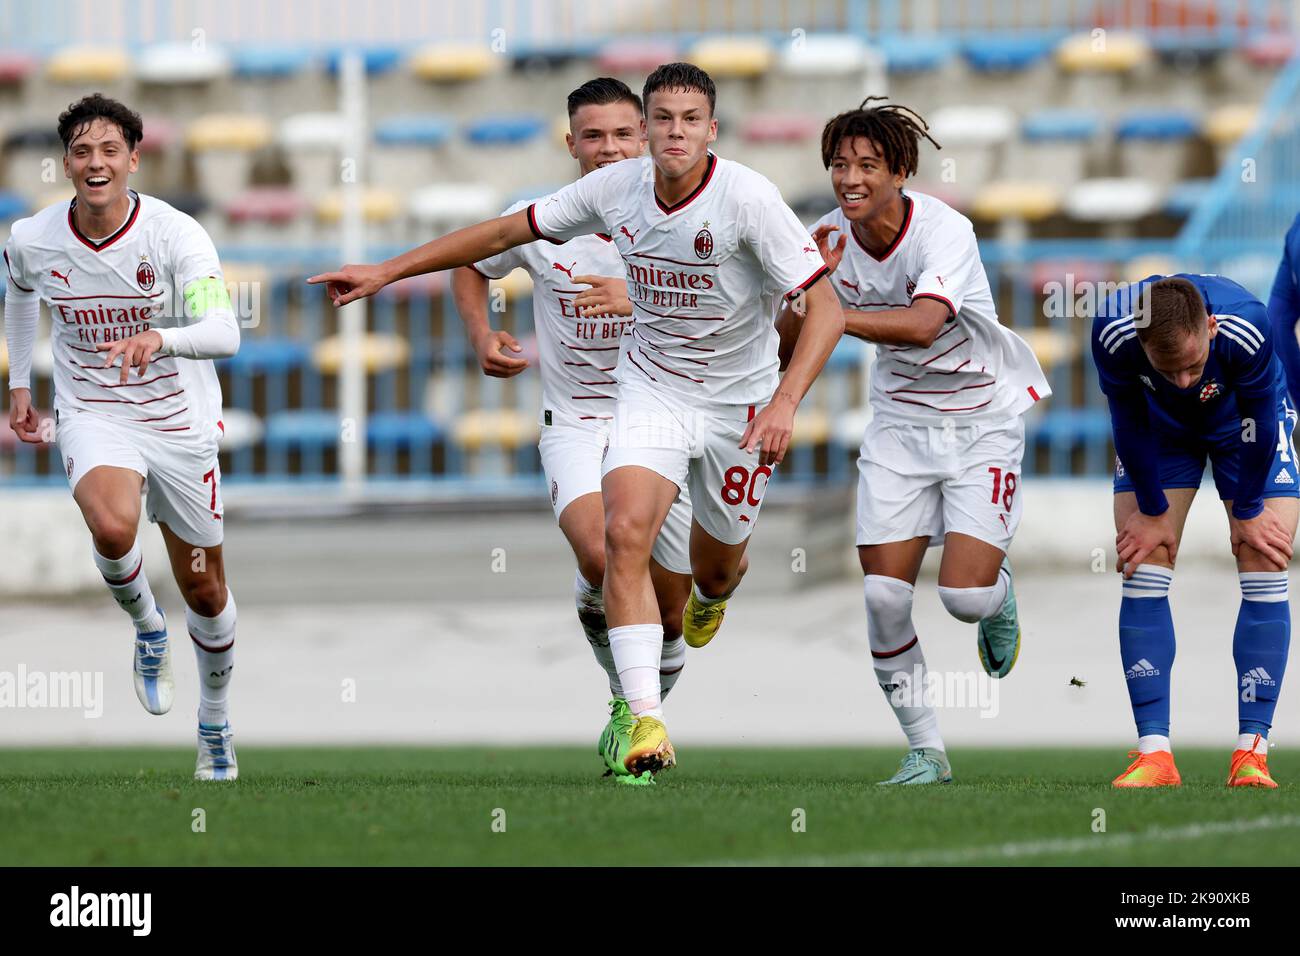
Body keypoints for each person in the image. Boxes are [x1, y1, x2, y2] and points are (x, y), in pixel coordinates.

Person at [309, 63, 843, 777]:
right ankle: (643, 721)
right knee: (617, 542)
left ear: (712, 130)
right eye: (657, 120)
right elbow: (496, 236)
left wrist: (783, 402)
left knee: (706, 578)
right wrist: (385, 271)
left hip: (733, 407)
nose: (660, 135)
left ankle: (700, 611)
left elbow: (825, 309)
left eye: (685, 120)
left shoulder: (748, 199)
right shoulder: (604, 195)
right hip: (642, 397)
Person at [777, 99, 1050, 785]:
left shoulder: (944, 230)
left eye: (867, 164)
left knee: (961, 599)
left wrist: (835, 315)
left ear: (901, 170)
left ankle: (997, 594)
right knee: (882, 598)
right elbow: (788, 346)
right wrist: (800, 295)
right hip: (899, 429)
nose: (850, 177)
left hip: (980, 422)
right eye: (840, 164)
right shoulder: (825, 241)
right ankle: (926, 749)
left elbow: (926, 325)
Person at [450, 77, 698, 784]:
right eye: (594, 136)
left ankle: (629, 699)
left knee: (673, 616)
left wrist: (639, 295)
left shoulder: (680, 217)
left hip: (663, 423)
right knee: (603, 552)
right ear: (572, 144)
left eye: (624, 134)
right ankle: (637, 718)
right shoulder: (542, 219)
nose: (610, 149)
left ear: (647, 137)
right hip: (577, 424)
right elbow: (470, 263)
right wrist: (482, 332)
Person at [5, 94, 241, 779]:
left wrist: (159, 337)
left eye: (110, 150)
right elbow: (20, 290)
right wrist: (22, 384)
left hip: (179, 423)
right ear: (66, 163)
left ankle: (216, 725)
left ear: (135, 159)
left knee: (205, 591)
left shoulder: (177, 237)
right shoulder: (34, 238)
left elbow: (223, 332)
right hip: (94, 410)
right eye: (82, 151)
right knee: (112, 529)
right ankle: (147, 629)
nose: (96, 163)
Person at [1094, 273, 1295, 788]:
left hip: (1244, 427)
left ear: (1209, 327)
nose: (1183, 381)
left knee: (1263, 554)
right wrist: (1153, 507)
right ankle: (1154, 756)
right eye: (1168, 369)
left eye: (1193, 364)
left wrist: (1249, 507)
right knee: (1144, 558)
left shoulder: (1247, 324)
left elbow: (1262, 420)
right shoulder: (1114, 331)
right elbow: (1128, 420)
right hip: (1159, 433)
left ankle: (1252, 752)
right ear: (1141, 344)